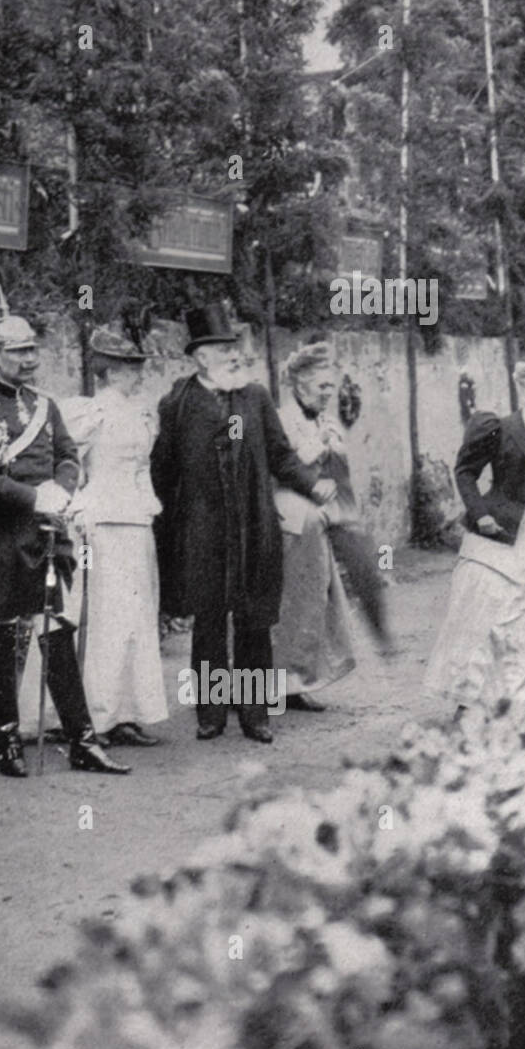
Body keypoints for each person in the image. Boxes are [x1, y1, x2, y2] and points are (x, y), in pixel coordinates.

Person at [0, 300, 130, 778]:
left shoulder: (46, 406)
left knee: (56, 634)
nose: (30, 359)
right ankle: (6, 744)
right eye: (20, 351)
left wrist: (61, 490)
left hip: (41, 536)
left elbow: (68, 455)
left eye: (33, 350)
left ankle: (83, 742)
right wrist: (34, 497)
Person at [151, 303, 335, 744]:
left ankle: (254, 715)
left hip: (254, 528)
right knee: (210, 625)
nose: (234, 355)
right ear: (200, 357)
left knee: (254, 623)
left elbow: (281, 455)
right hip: (204, 533)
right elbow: (163, 471)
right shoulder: (178, 404)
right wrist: (170, 528)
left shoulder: (256, 398)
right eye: (221, 348)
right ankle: (211, 714)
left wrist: (312, 485)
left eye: (234, 347)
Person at [17, 324, 167, 746]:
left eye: (138, 367)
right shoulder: (87, 411)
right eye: (130, 367)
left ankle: (123, 713)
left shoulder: (142, 413)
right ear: (111, 371)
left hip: (135, 523)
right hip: (97, 524)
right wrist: (74, 502)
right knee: (98, 618)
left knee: (133, 618)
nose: (138, 375)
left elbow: (142, 470)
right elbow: (63, 462)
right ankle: (82, 717)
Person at [424, 358, 525, 714]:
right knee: (485, 611)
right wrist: (479, 514)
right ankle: (468, 700)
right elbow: (465, 472)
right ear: (522, 392)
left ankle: (515, 698)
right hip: (496, 532)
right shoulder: (497, 428)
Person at [270, 341, 356, 712]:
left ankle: (296, 680)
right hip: (287, 522)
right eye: (322, 386)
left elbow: (336, 474)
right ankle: (268, 683)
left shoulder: (321, 421)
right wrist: (318, 446)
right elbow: (281, 468)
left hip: (315, 522)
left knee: (312, 602)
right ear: (301, 384)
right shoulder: (280, 418)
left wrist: (336, 448)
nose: (328, 393)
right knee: (285, 603)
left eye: (330, 387)